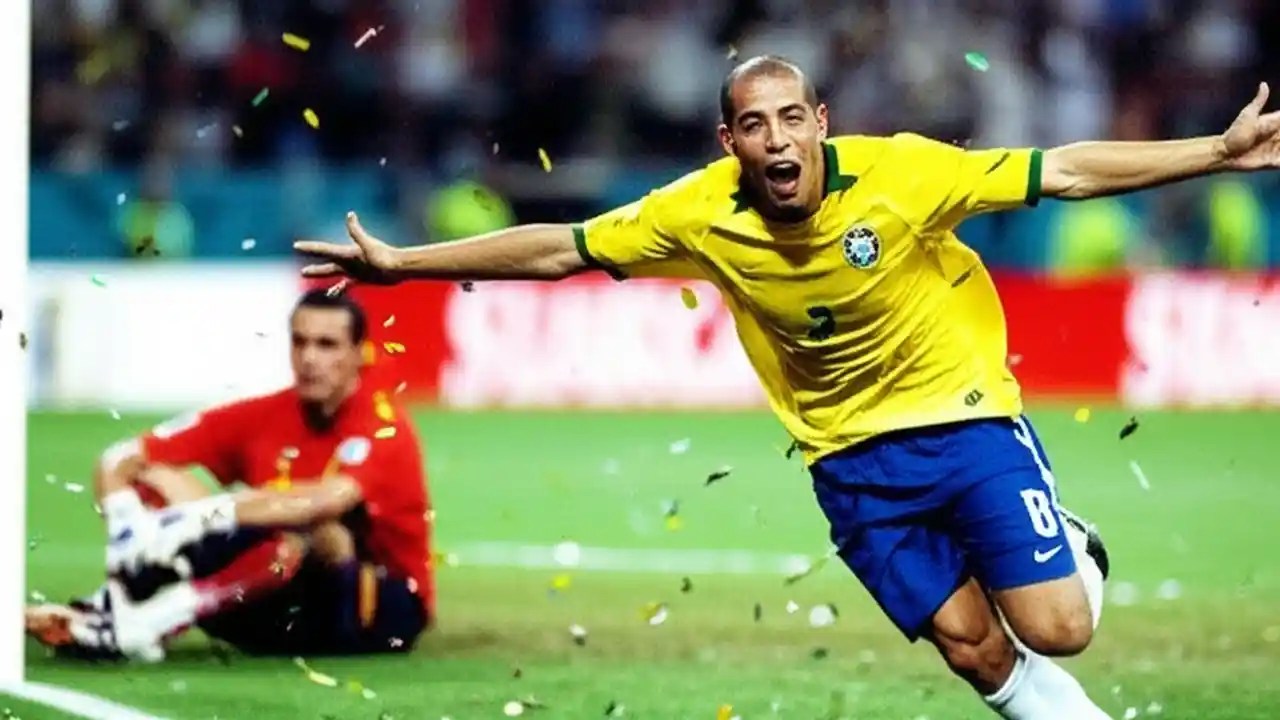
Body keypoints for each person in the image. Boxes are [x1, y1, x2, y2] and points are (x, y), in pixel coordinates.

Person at [295, 56, 1280, 719]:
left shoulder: (904, 174)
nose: (774, 139)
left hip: (961, 420)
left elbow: (1061, 168)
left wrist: (1213, 152)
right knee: (975, 656)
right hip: (846, 463)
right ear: (729, 143)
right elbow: (561, 248)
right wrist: (403, 264)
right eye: (751, 125)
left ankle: (1074, 544)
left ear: (819, 124)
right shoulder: (695, 211)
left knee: (1057, 627)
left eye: (789, 118)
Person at [26, 290, 434, 661]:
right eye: (300, 341)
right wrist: (128, 537)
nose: (309, 358)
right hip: (275, 596)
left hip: (375, 606)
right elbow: (124, 458)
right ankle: (117, 614)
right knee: (157, 477)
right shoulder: (263, 414)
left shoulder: (384, 423)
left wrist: (193, 521)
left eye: (326, 345)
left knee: (316, 531)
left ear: (359, 353)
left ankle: (145, 622)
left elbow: (329, 500)